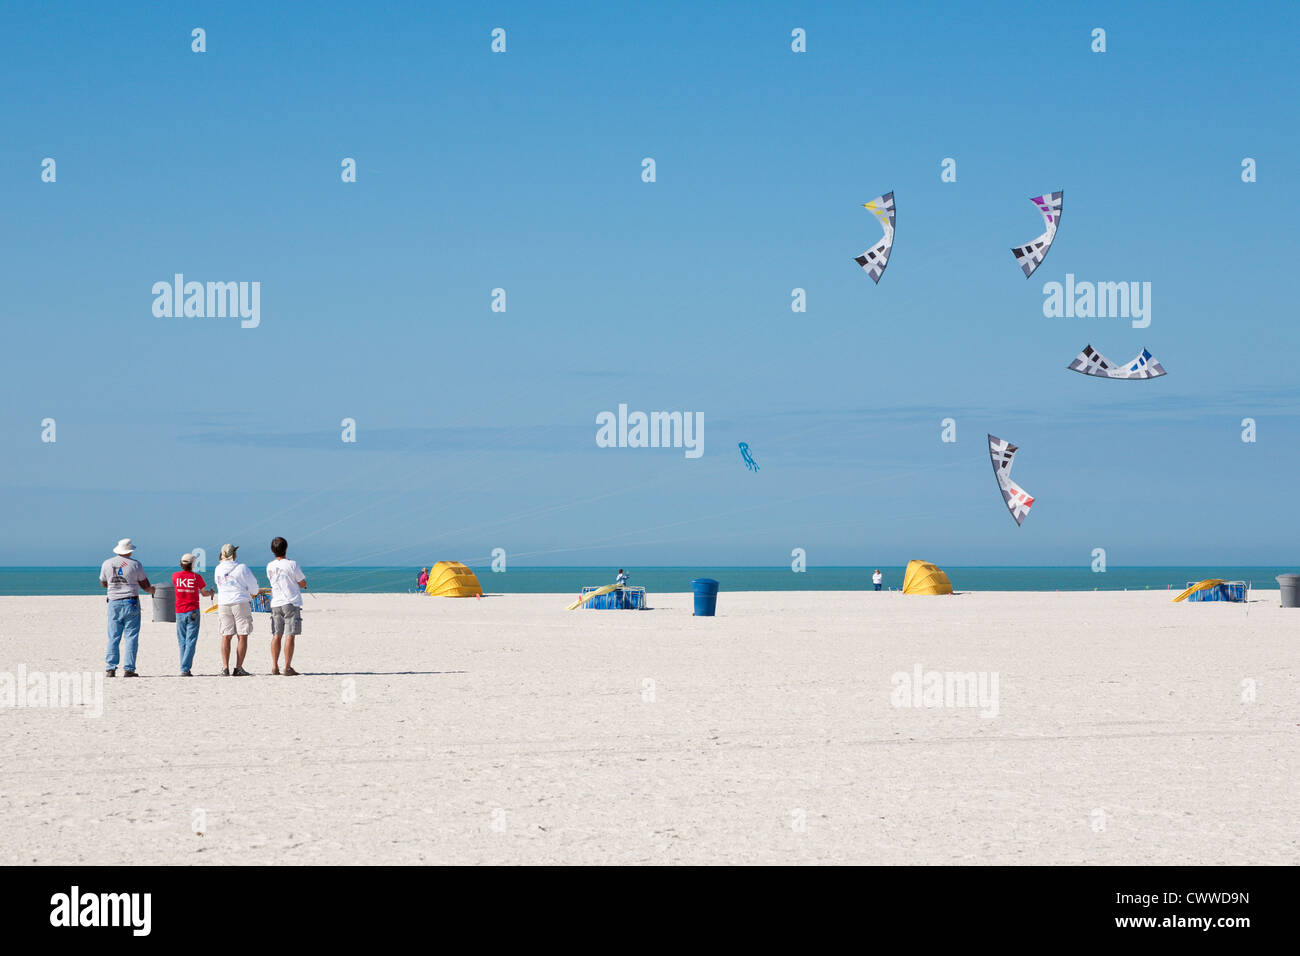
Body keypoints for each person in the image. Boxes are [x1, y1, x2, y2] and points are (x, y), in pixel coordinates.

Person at [99, 538, 154, 677]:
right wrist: (151, 590)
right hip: (131, 602)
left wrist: (115, 584)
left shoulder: (107, 563)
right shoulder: (135, 564)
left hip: (113, 602)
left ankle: (110, 668)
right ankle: (129, 669)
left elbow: (103, 583)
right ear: (129, 551)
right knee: (131, 637)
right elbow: (145, 584)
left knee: (113, 636)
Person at [214, 543, 259, 676]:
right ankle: (238, 667)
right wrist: (251, 592)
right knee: (242, 635)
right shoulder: (242, 567)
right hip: (240, 602)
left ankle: (225, 667)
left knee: (226, 636)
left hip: (223, 603)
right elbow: (254, 587)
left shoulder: (218, 568)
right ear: (233, 554)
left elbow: (218, 584)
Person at [267, 537, 307, 676]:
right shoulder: (292, 564)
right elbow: (302, 582)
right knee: (289, 635)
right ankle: (287, 667)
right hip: (290, 602)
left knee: (276, 635)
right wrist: (303, 585)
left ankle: (274, 666)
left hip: (276, 603)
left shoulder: (269, 566)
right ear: (286, 548)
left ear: (273, 550)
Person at [173, 553, 213, 677]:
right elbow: (204, 593)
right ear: (193, 565)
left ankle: (184, 667)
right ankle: (185, 668)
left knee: (182, 641)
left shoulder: (175, 576)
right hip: (192, 611)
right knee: (190, 641)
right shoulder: (197, 577)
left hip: (180, 611)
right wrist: (211, 593)